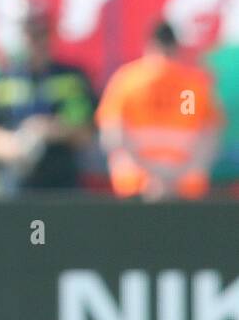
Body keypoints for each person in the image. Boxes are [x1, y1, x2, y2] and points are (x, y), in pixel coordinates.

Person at [0, 10, 96, 193]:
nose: (35, 40)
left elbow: (86, 131)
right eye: (28, 33)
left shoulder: (72, 78)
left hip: (62, 186)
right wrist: (15, 145)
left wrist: (47, 130)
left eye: (41, 33)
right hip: (14, 187)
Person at [96, 21, 224, 200]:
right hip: (184, 188)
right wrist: (176, 176)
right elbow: (209, 138)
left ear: (149, 45)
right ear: (176, 47)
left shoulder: (127, 81)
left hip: (136, 186)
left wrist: (152, 177)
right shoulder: (193, 86)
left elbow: (112, 136)